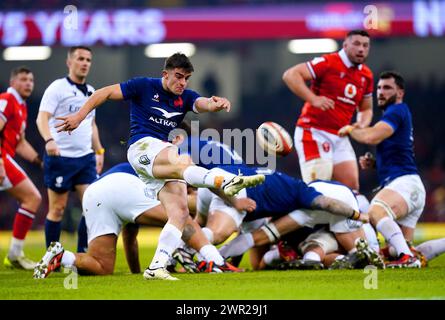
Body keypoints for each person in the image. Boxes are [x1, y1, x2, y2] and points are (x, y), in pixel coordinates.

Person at [54, 53, 265, 280]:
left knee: (180, 213)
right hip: (142, 147)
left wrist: (213, 105)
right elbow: (104, 93)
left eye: (186, 78)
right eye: (178, 76)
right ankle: (223, 181)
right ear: (165, 74)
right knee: (182, 160)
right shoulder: (143, 86)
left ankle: (156, 267)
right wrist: (79, 116)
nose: (182, 82)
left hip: (161, 154)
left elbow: (201, 103)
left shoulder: (185, 97)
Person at [33, 163, 242, 279]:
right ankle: (217, 261)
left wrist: (135, 273)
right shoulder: (165, 165)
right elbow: (184, 210)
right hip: (121, 186)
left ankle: (63, 256)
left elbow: (130, 238)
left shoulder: (142, 164)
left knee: (102, 266)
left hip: (94, 193)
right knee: (181, 215)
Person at [338, 71, 425, 268]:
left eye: (387, 88)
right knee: (397, 248)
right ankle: (409, 255)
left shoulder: (397, 110)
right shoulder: (395, 114)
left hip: (404, 182)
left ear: (400, 93)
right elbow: (399, 153)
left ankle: (408, 259)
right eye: (378, 88)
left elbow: (371, 137)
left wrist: (352, 129)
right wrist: (376, 164)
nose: (381, 92)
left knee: (375, 212)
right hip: (410, 185)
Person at [283, 30, 373, 191]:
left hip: (340, 136)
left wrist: (361, 124)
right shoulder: (329, 62)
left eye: (365, 45)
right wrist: (313, 99)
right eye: (357, 44)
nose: (361, 49)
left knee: (352, 189)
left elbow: (366, 109)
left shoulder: (366, 75)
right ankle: (278, 215)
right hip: (313, 132)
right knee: (318, 190)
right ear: (345, 45)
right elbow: (290, 75)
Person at [36, 46, 105, 253]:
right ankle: (52, 255)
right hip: (60, 158)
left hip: (85, 158)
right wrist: (49, 140)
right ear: (69, 62)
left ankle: (83, 252)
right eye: (80, 58)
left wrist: (99, 151)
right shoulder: (57, 88)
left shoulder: (91, 91)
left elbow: (91, 124)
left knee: (91, 206)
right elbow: (42, 118)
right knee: (58, 209)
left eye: (88, 60)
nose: (85, 63)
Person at [1, 66, 43, 270]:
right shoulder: (6, 100)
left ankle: (15, 254)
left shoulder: (21, 106)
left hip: (6, 156)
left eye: (31, 80)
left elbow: (20, 143)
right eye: (23, 79)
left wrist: (39, 161)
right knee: (32, 198)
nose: (28, 83)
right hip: (1, 158)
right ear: (13, 82)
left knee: (32, 198)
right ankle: (15, 254)